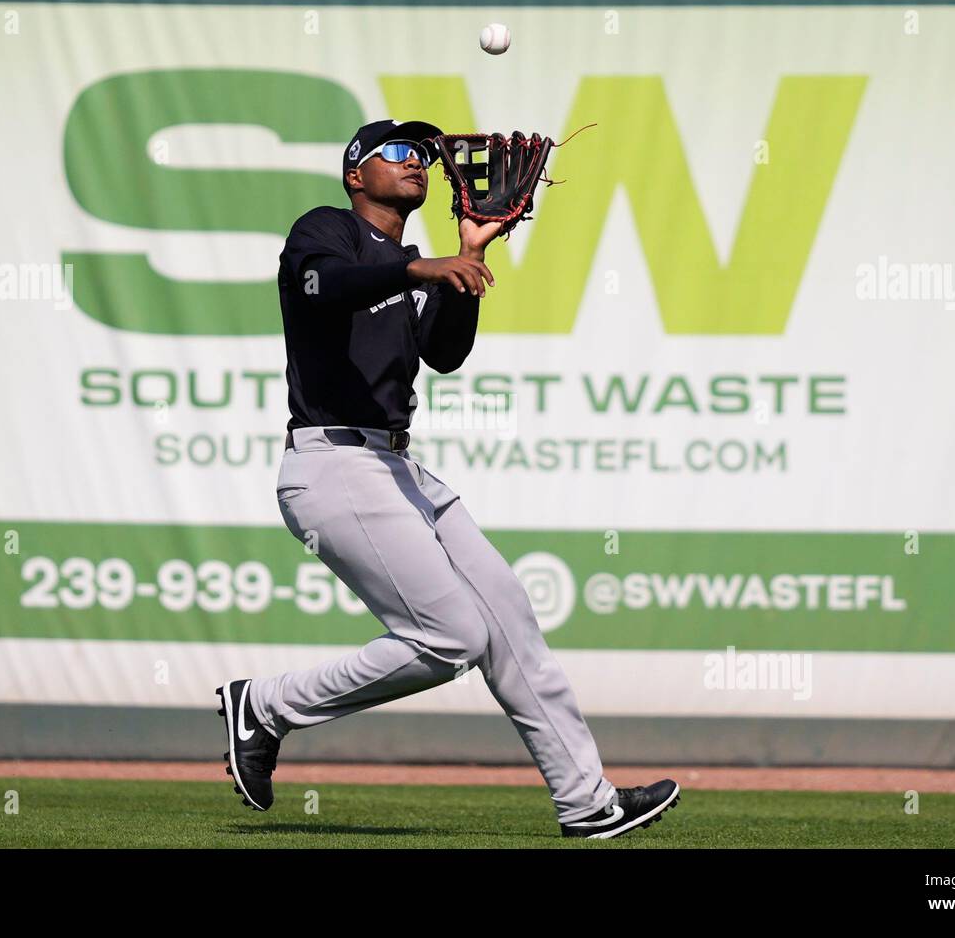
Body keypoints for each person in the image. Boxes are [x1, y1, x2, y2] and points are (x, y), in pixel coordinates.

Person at [216, 119, 678, 839]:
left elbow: (445, 354)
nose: (417, 163)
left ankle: (587, 801)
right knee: (450, 636)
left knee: (506, 617)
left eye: (424, 156)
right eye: (397, 153)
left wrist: (465, 256)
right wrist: (418, 268)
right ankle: (268, 706)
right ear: (354, 173)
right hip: (333, 464)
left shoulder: (408, 264)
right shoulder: (327, 232)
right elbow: (321, 287)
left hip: (397, 466)